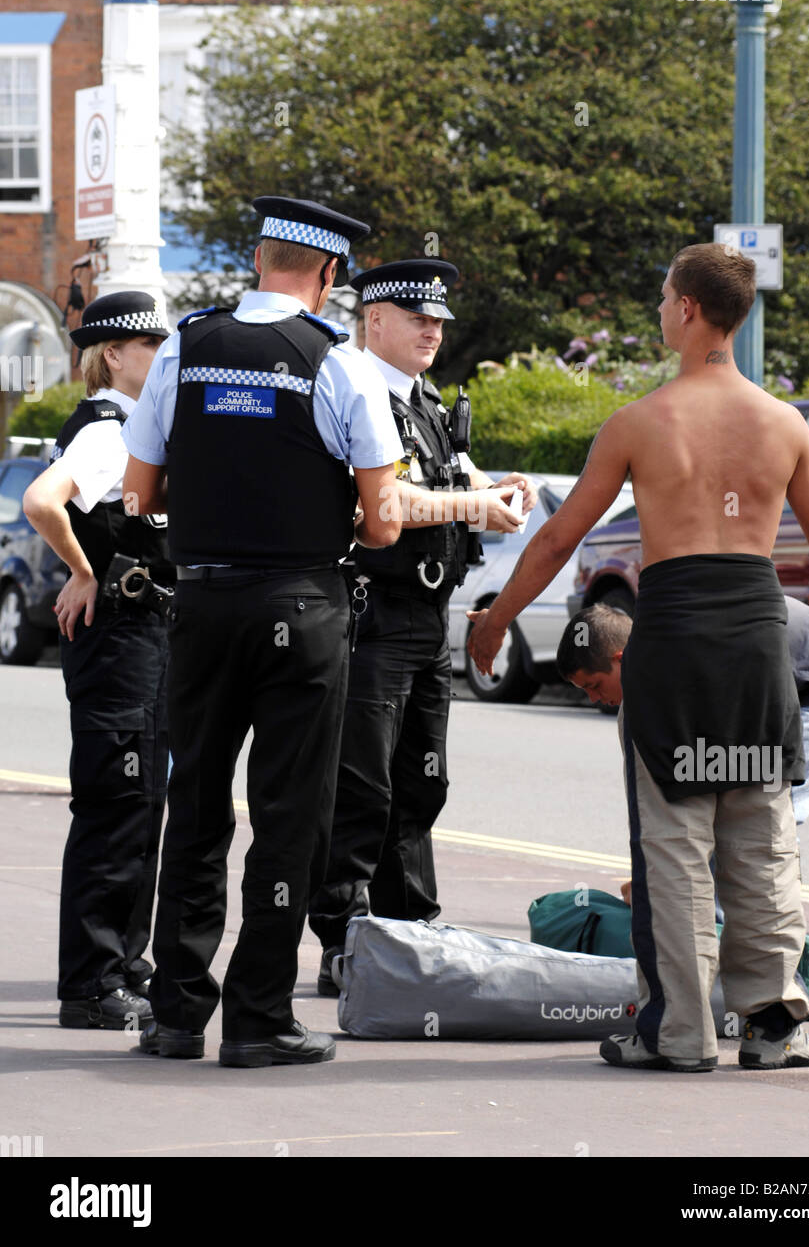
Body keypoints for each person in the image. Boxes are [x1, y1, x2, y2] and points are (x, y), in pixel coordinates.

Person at [468, 242, 809, 1073]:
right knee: (761, 837)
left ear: (688, 308)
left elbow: (559, 538)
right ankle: (772, 1026)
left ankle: (679, 1033)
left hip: (675, 641)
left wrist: (495, 620)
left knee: (675, 843)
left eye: (662, 298)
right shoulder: (784, 423)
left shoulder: (639, 423)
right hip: (756, 644)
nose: (658, 310)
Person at [121, 197, 403, 1067]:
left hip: (201, 606)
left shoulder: (185, 347)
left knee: (196, 805)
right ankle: (257, 1019)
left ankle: (175, 1014)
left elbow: (139, 493)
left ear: (256, 258)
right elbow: (386, 520)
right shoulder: (339, 362)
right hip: (302, 611)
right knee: (288, 815)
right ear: (330, 274)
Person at [308, 259, 537, 994]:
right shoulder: (353, 389)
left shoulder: (425, 399)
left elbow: (451, 474)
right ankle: (346, 939)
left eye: (438, 320)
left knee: (420, 784)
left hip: (428, 616)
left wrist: (498, 489)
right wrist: (474, 506)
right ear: (374, 319)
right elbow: (383, 503)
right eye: (418, 318)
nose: (433, 331)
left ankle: (410, 931)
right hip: (372, 612)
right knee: (360, 788)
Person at [22, 291, 173, 1030]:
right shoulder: (109, 428)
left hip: (139, 641)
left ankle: (123, 970)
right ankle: (92, 985)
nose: (165, 358)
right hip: (119, 642)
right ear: (113, 354)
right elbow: (41, 502)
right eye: (153, 346)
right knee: (117, 809)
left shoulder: (132, 426)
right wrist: (84, 571)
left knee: (139, 808)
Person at [557, 597, 809, 827]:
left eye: (594, 685)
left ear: (620, 658)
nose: (595, 699)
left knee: (769, 817)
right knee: (738, 811)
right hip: (785, 688)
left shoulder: (683, 653)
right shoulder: (662, 655)